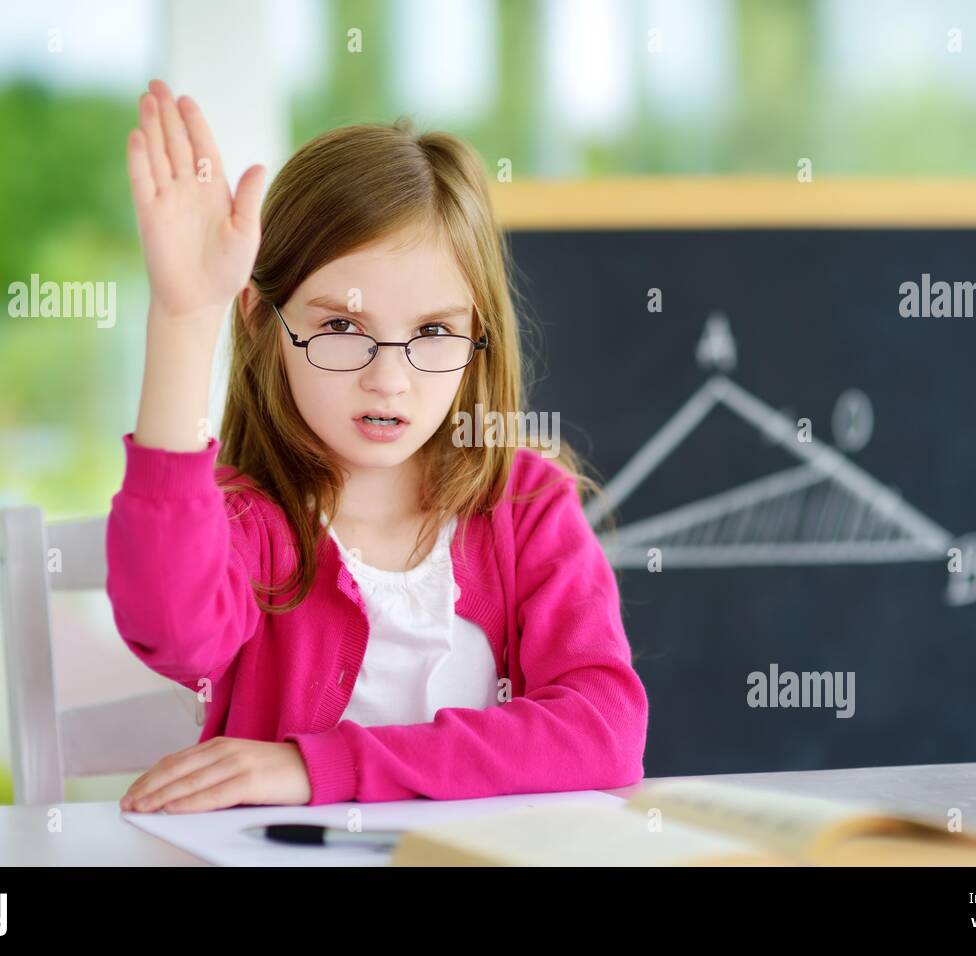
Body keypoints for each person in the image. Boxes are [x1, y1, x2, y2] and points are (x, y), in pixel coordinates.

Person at [110, 79, 647, 811]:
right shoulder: (245, 522)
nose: (388, 380)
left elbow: (604, 732)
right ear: (265, 326)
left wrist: (313, 769)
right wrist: (184, 319)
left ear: (476, 335)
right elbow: (171, 632)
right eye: (341, 328)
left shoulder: (525, 506)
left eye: (432, 332)